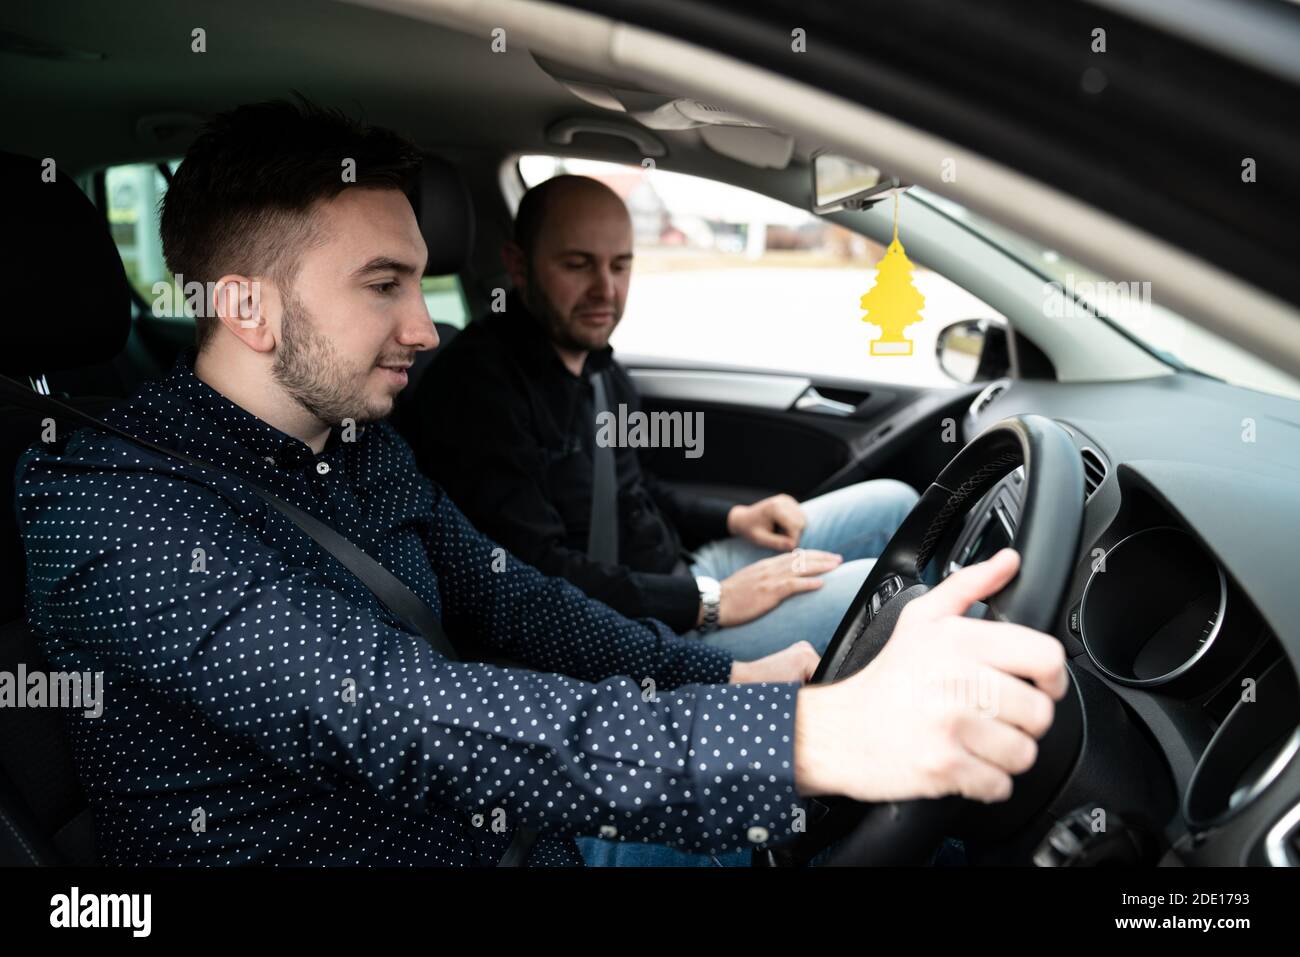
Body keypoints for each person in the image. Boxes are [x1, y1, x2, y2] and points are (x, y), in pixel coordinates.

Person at [15, 100, 1068, 866]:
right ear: (248, 309)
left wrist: (715, 679)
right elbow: (396, 712)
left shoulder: (356, 442)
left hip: (508, 820)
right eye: (383, 286)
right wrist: (811, 735)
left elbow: (510, 595)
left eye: (419, 282)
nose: (426, 328)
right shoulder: (110, 507)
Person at [414, 175, 919, 664]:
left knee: (894, 502)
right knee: (893, 598)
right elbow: (536, 576)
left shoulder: (599, 369)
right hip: (631, 634)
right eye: (578, 264)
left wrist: (732, 518)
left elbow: (636, 488)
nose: (605, 290)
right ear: (518, 266)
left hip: (683, 576)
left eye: (620, 266)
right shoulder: (478, 390)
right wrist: (709, 601)